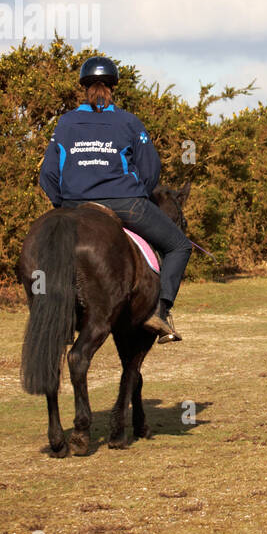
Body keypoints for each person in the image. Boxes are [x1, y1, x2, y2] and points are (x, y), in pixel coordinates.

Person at [39, 56, 189, 343]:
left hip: (74, 204)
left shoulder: (66, 123)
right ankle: (160, 311)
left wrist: (64, 205)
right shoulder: (129, 122)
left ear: (84, 88)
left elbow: (47, 174)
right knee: (179, 245)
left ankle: (58, 314)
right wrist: (140, 195)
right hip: (125, 202)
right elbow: (150, 170)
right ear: (113, 88)